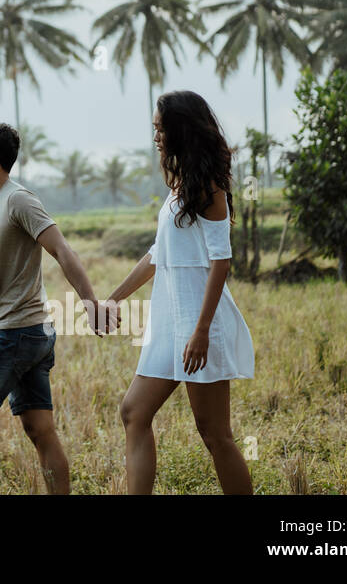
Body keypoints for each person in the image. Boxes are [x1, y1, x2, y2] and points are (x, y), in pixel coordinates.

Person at [0, 121, 114, 495]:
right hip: (29, 329)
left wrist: (91, 304)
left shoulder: (19, 199)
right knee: (39, 430)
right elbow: (3, 273)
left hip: (18, 333)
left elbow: (61, 250)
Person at [107, 91, 254, 494]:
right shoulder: (179, 187)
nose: (156, 135)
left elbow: (221, 262)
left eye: (160, 128)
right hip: (168, 323)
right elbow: (158, 255)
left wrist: (201, 331)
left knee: (214, 434)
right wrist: (114, 298)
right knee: (134, 412)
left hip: (198, 324)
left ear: (180, 129)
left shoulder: (210, 188)